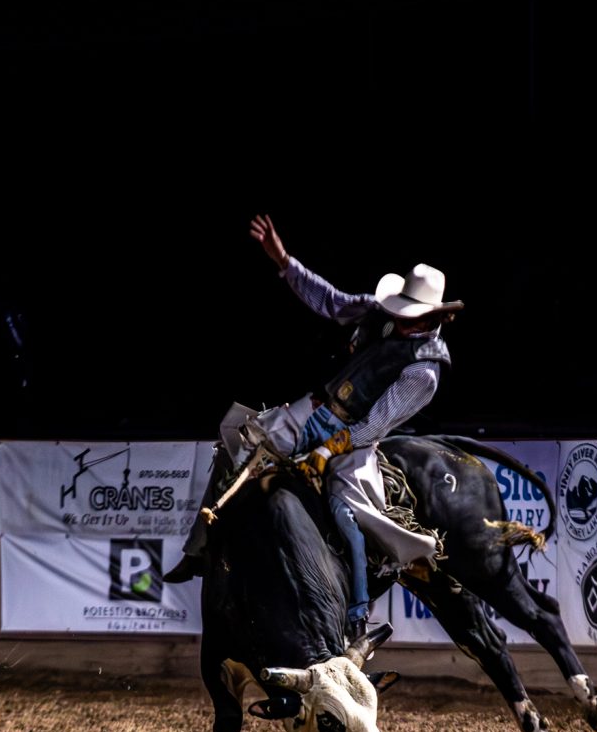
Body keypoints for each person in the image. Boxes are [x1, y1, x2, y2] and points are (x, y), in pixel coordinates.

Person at [171, 216, 462, 639]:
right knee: (237, 438)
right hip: (315, 407)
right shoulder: (381, 312)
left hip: (353, 441)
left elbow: (374, 422)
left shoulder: (425, 371)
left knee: (351, 516)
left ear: (432, 316)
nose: (401, 321)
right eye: (401, 312)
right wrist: (285, 261)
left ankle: (357, 613)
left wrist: (327, 452)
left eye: (410, 317)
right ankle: (200, 550)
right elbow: (331, 300)